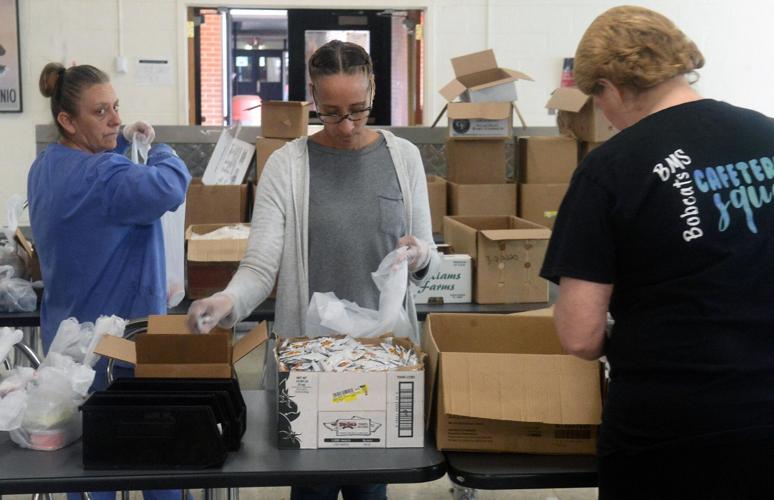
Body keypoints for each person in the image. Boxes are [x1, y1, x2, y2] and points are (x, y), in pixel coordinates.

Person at [187, 40, 439, 500]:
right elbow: (261, 265)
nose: (345, 127)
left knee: (370, 489)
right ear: (312, 100)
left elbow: (427, 253)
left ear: (374, 88)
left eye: (358, 111)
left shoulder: (404, 159)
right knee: (313, 488)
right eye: (331, 112)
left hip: (381, 359)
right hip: (309, 364)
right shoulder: (287, 167)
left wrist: (421, 255)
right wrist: (225, 301)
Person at [540, 6, 774, 499]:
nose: (601, 115)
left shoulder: (610, 170)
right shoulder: (768, 135)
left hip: (671, 427)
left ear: (612, 86)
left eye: (595, 99)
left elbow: (580, 335)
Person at [28, 62, 191, 500]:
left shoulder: (45, 167)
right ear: (67, 120)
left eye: (115, 107)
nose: (115, 120)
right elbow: (170, 187)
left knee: (87, 471)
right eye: (100, 113)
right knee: (157, 467)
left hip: (69, 350)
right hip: (123, 354)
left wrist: (118, 140)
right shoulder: (104, 178)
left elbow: (101, 190)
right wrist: (159, 149)